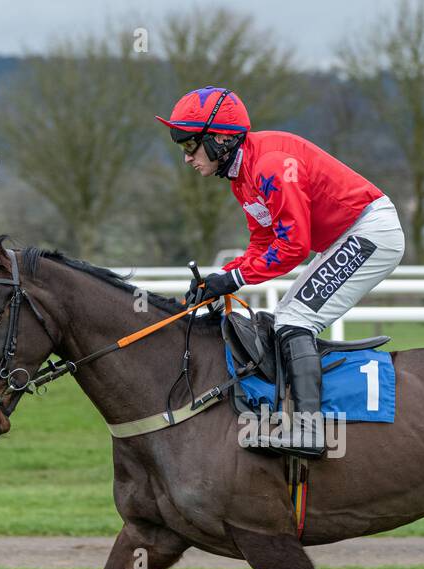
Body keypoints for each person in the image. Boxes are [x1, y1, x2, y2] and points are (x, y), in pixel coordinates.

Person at [155, 86, 405, 458]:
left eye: (190, 145)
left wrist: (234, 280)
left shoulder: (269, 165)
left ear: (221, 139)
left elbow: (292, 247)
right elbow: (262, 243)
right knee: (285, 317)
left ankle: (309, 431)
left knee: (294, 319)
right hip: (348, 236)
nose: (187, 158)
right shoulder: (242, 175)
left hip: (371, 232)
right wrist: (217, 280)